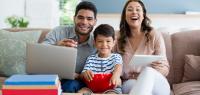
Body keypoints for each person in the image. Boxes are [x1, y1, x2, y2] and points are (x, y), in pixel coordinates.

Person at [114, 0, 170, 95]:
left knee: (148, 72)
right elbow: (111, 63)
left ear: (143, 15)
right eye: (130, 9)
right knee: (133, 84)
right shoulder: (117, 38)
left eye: (138, 9)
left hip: (157, 83)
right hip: (129, 82)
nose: (134, 12)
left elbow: (164, 67)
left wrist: (143, 76)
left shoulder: (154, 35)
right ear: (125, 16)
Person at [42, 1, 97, 93]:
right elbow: (40, 52)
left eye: (89, 19)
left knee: (69, 85)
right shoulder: (58, 31)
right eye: (80, 17)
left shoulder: (97, 42)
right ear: (74, 18)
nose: (84, 22)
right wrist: (56, 47)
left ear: (95, 22)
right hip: (54, 76)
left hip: (78, 81)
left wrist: (80, 76)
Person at [78, 24, 123, 94]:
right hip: (92, 88)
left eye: (108, 41)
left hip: (112, 88)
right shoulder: (91, 58)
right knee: (82, 92)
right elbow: (83, 74)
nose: (104, 45)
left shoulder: (116, 57)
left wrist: (116, 75)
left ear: (114, 42)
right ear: (95, 43)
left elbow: (118, 66)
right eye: (100, 41)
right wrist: (85, 74)